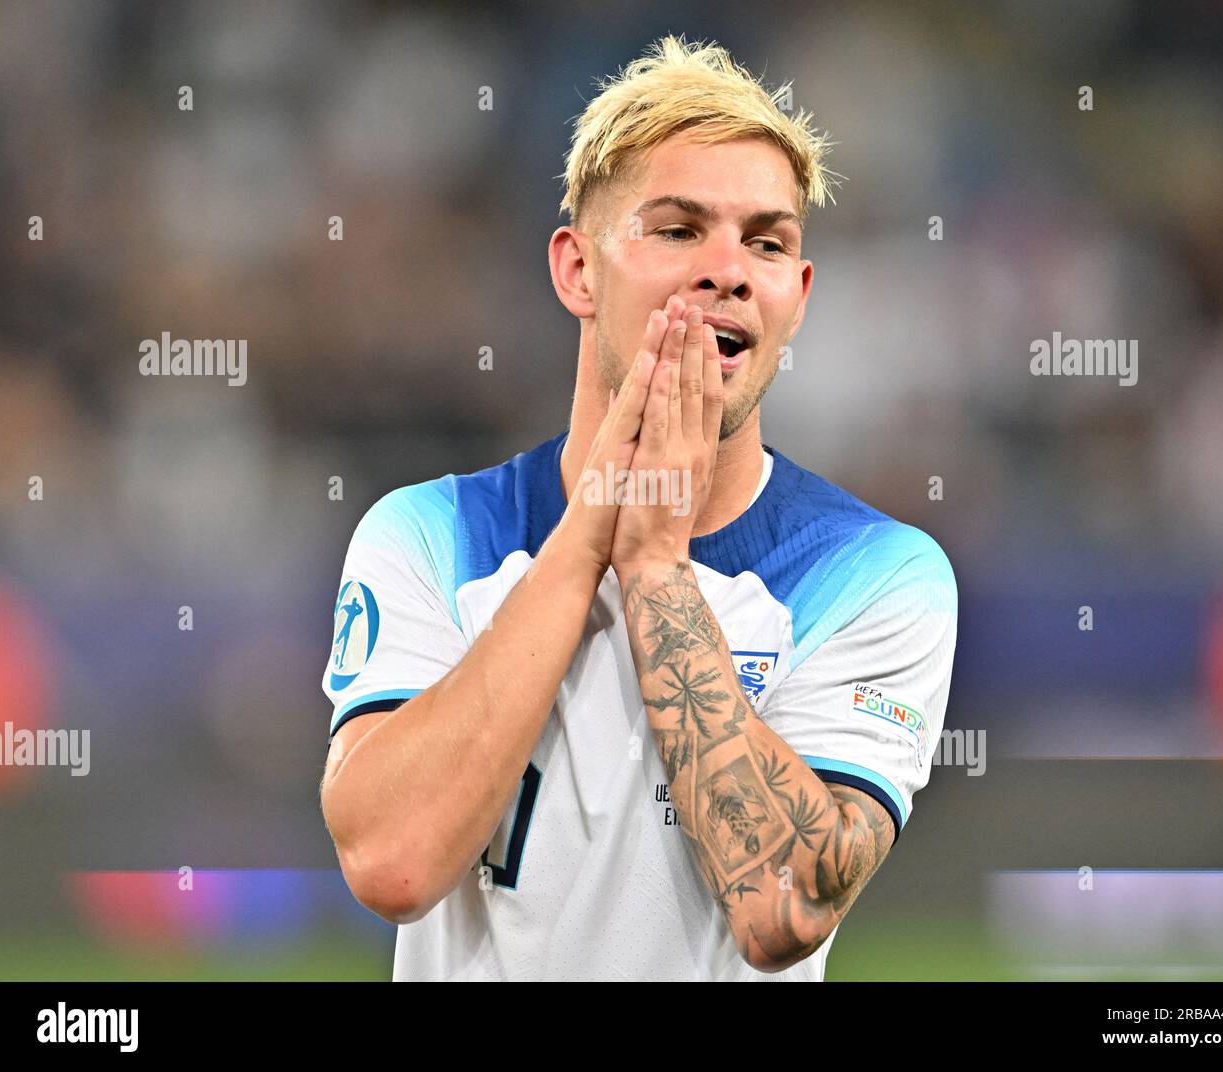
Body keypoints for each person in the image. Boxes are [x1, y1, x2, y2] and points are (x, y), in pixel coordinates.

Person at [319, 34, 957, 981]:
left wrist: (657, 569)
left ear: (797, 295)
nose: (730, 269)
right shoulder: (427, 535)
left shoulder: (879, 575)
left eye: (767, 242)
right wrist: (591, 537)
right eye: (678, 229)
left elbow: (782, 909)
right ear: (578, 269)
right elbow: (392, 863)